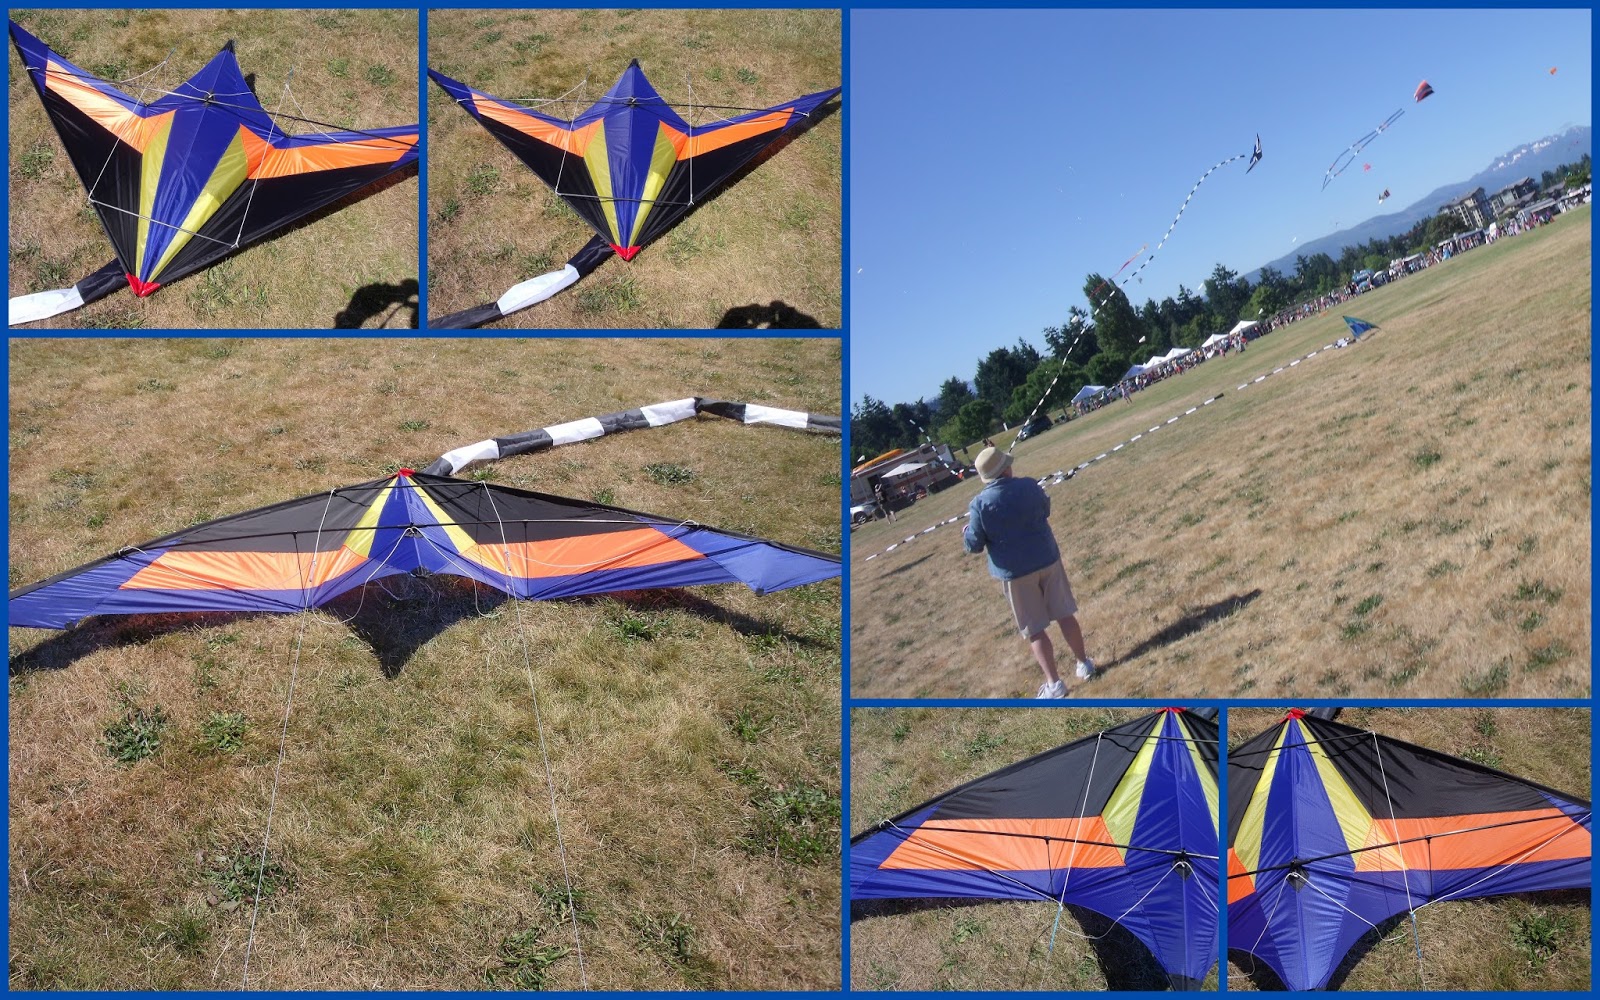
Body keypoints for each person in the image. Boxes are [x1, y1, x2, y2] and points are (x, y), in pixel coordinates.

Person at [962, 447, 1097, 698]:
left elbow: (974, 544)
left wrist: (966, 533)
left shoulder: (979, 504)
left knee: (1035, 629)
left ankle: (1054, 684)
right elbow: (1044, 510)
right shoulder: (1029, 486)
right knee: (1065, 614)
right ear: (1005, 469)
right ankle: (1084, 664)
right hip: (1047, 558)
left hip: (1015, 573)